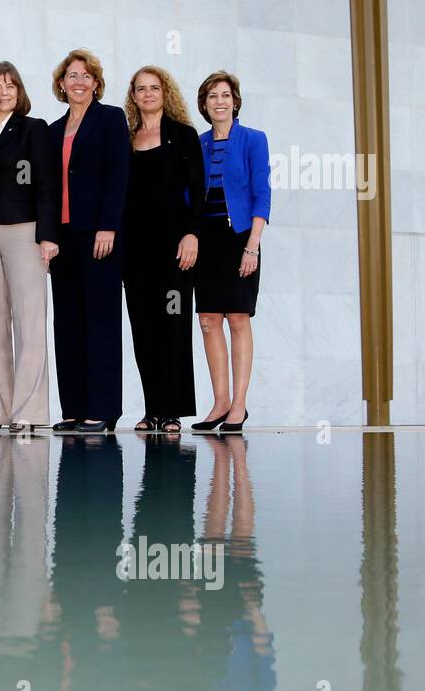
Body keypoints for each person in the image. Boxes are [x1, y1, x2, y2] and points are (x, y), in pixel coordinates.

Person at [0, 60, 60, 433]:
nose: (4, 92)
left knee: (29, 320)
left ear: (19, 89)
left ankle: (29, 410)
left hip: (25, 230)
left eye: (10, 85)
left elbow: (47, 183)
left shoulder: (35, 130)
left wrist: (48, 235)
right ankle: (0, 409)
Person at [46, 49, 131, 434]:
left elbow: (118, 174)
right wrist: (47, 237)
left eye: (86, 76)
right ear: (61, 84)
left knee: (101, 322)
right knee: (67, 324)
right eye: (72, 76)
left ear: (96, 83)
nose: (78, 82)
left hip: (99, 236)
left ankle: (102, 409)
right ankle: (74, 409)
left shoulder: (110, 118)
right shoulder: (52, 130)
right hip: (63, 239)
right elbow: (48, 190)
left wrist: (109, 226)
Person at [122, 65, 204, 434]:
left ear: (165, 92)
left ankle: (172, 411)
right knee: (143, 329)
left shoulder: (183, 136)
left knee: (173, 325)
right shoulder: (126, 139)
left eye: (154, 88)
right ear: (133, 96)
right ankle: (152, 409)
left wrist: (192, 234)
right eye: (141, 89)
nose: (148, 94)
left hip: (174, 249)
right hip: (135, 249)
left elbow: (198, 191)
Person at [192, 70, 270, 435]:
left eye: (225, 95)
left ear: (235, 101)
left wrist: (252, 246)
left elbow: (261, 194)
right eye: (212, 96)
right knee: (208, 319)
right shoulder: (199, 144)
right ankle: (220, 402)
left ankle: (239, 405)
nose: (219, 102)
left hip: (239, 238)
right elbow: (189, 194)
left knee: (238, 318)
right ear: (204, 104)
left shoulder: (253, 140)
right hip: (206, 240)